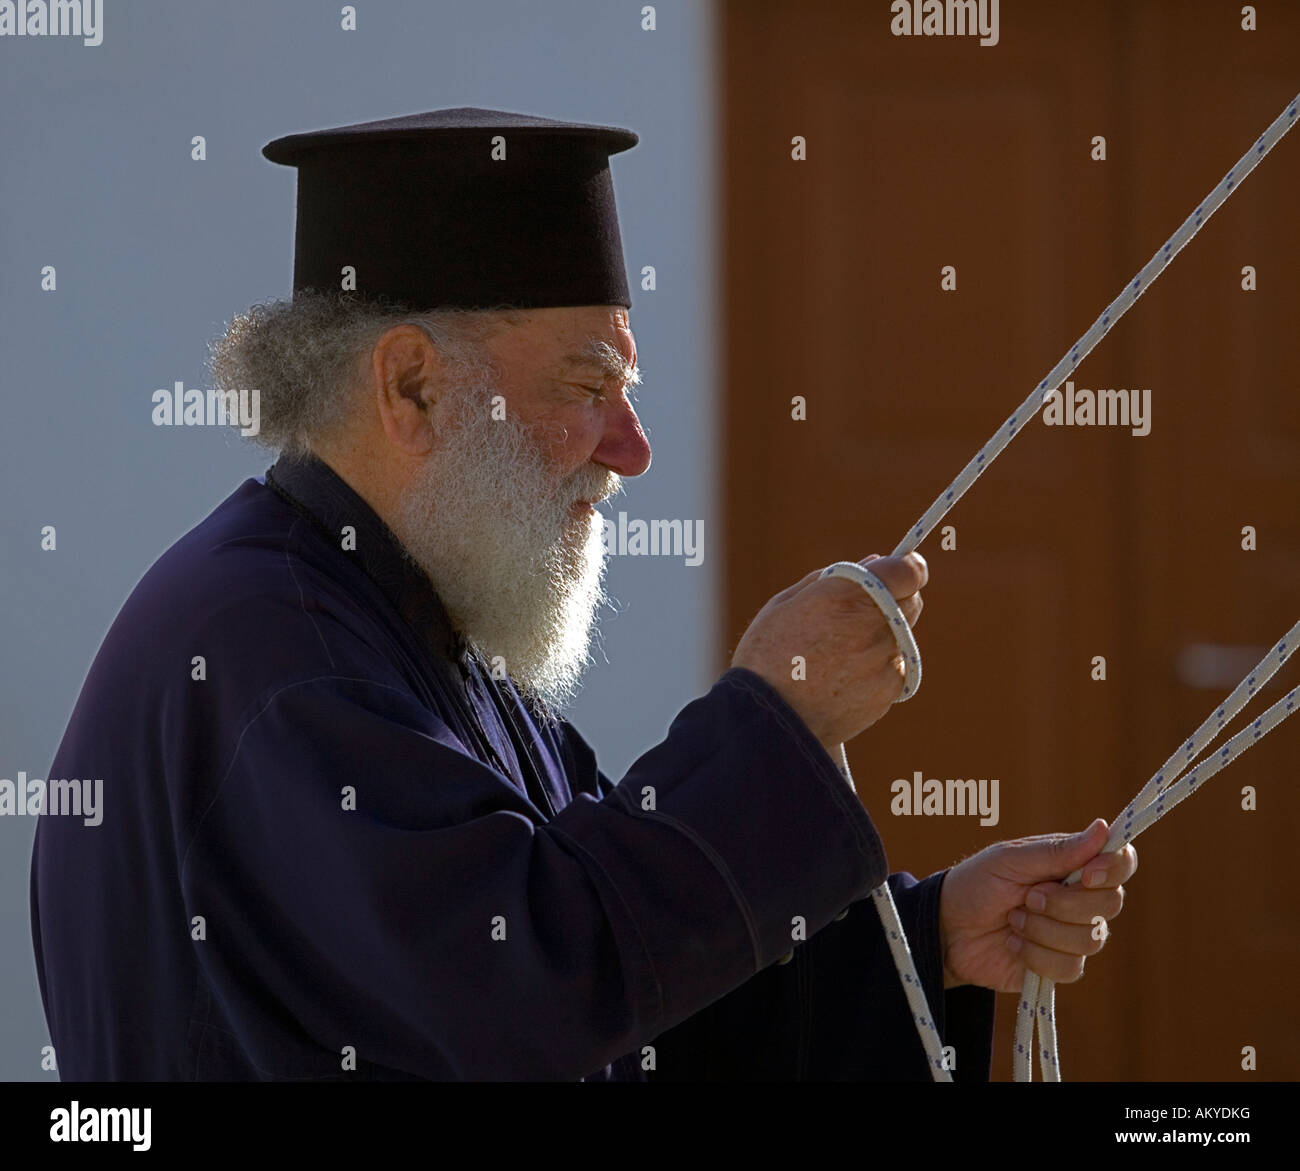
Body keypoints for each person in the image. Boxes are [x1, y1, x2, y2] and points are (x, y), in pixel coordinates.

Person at [30, 108, 1136, 1081]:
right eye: (588, 387)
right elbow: (528, 991)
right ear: (409, 384)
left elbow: (631, 1003)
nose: (633, 448)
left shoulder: (405, 619)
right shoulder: (271, 653)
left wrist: (929, 936)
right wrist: (772, 720)